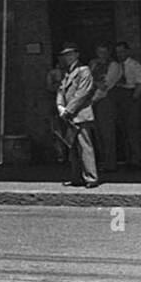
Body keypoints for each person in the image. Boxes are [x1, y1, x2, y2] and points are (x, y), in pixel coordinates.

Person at [55, 41, 98, 188]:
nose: (68, 57)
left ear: (77, 55)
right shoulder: (67, 73)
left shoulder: (84, 70)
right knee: (72, 147)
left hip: (80, 114)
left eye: (71, 54)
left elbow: (83, 93)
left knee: (85, 146)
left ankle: (91, 177)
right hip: (69, 115)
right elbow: (60, 90)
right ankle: (77, 177)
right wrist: (60, 106)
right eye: (65, 55)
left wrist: (68, 109)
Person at [88, 42, 121, 173]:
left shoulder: (114, 65)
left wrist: (93, 100)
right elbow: (88, 80)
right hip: (92, 101)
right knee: (97, 133)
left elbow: (106, 86)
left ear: (108, 53)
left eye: (104, 53)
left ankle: (111, 164)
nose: (101, 55)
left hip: (105, 100)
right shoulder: (93, 64)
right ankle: (102, 162)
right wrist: (95, 83)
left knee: (107, 132)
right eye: (99, 52)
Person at [112, 41, 141, 169]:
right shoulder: (116, 66)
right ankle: (127, 158)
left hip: (130, 95)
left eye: (122, 51)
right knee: (123, 129)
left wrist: (133, 99)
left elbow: (140, 84)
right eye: (117, 52)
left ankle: (136, 160)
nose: (120, 54)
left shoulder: (135, 65)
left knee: (132, 129)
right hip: (119, 95)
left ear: (127, 51)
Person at [43, 55, 67, 164]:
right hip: (55, 104)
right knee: (57, 130)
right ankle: (61, 154)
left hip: (70, 103)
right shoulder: (53, 73)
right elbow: (49, 87)